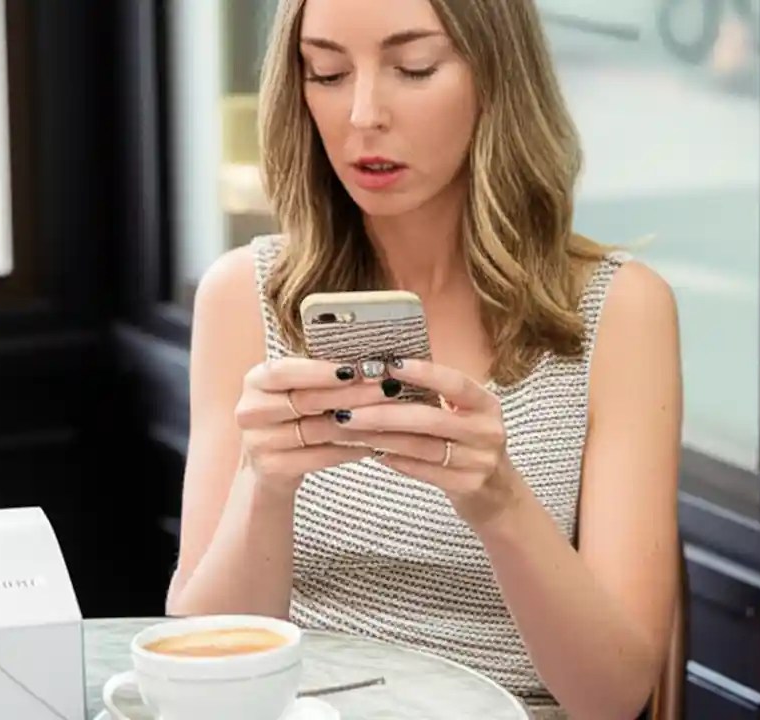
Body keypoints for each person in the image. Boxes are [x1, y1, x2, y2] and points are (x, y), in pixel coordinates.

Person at [166, 0, 683, 717]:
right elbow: (206, 660)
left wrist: (497, 500)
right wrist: (265, 485)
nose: (362, 114)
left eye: (414, 68)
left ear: (497, 76)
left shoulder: (621, 313)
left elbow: (615, 697)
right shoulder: (241, 298)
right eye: (328, 72)